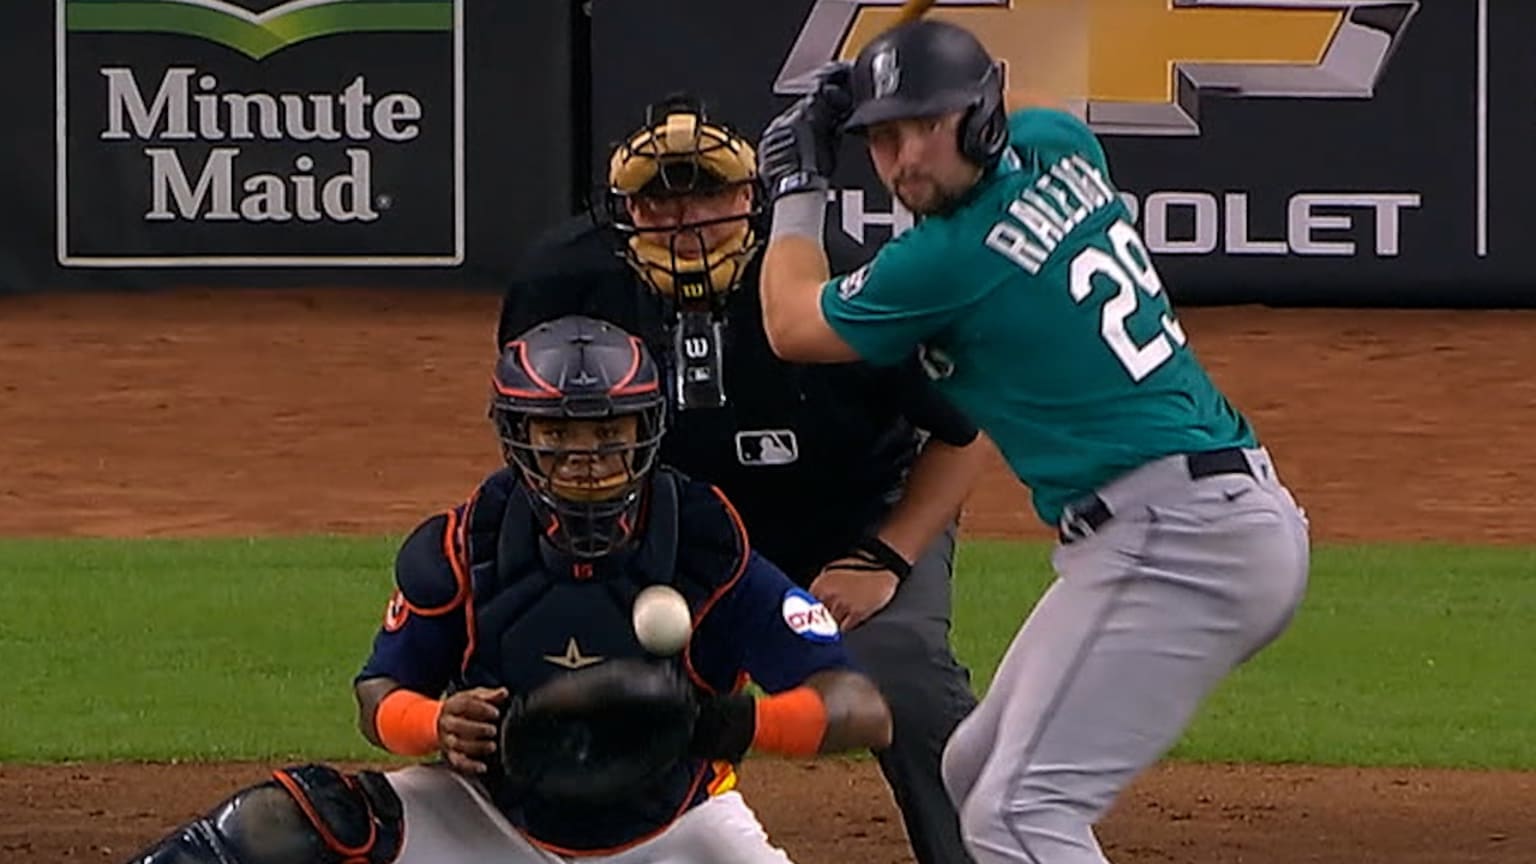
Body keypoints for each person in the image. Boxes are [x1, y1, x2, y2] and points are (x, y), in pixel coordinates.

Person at [753, 19, 1312, 864]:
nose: (903, 160)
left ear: (978, 118)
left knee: (1019, 815)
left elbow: (791, 324)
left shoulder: (951, 259)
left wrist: (799, 184)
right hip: (1189, 521)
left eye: (924, 128)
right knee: (973, 771)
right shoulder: (1058, 145)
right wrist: (888, 88)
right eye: (882, 137)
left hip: (1180, 539)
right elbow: (1028, 109)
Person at [121, 315, 894, 864]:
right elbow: (376, 691)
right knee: (279, 826)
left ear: (645, 432)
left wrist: (730, 725)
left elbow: (863, 711)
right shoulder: (465, 550)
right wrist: (433, 724)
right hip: (488, 816)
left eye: (608, 433)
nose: (585, 458)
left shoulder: (706, 549)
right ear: (520, 438)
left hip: (678, 830)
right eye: (559, 436)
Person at [498, 93, 987, 864]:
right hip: (680, 534)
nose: (682, 216)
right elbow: (535, 435)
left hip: (858, 519)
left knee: (905, 677)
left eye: (705, 191)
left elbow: (966, 430)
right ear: (621, 208)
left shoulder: (841, 278)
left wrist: (887, 558)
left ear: (751, 198)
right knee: (590, 672)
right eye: (657, 198)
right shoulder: (566, 284)